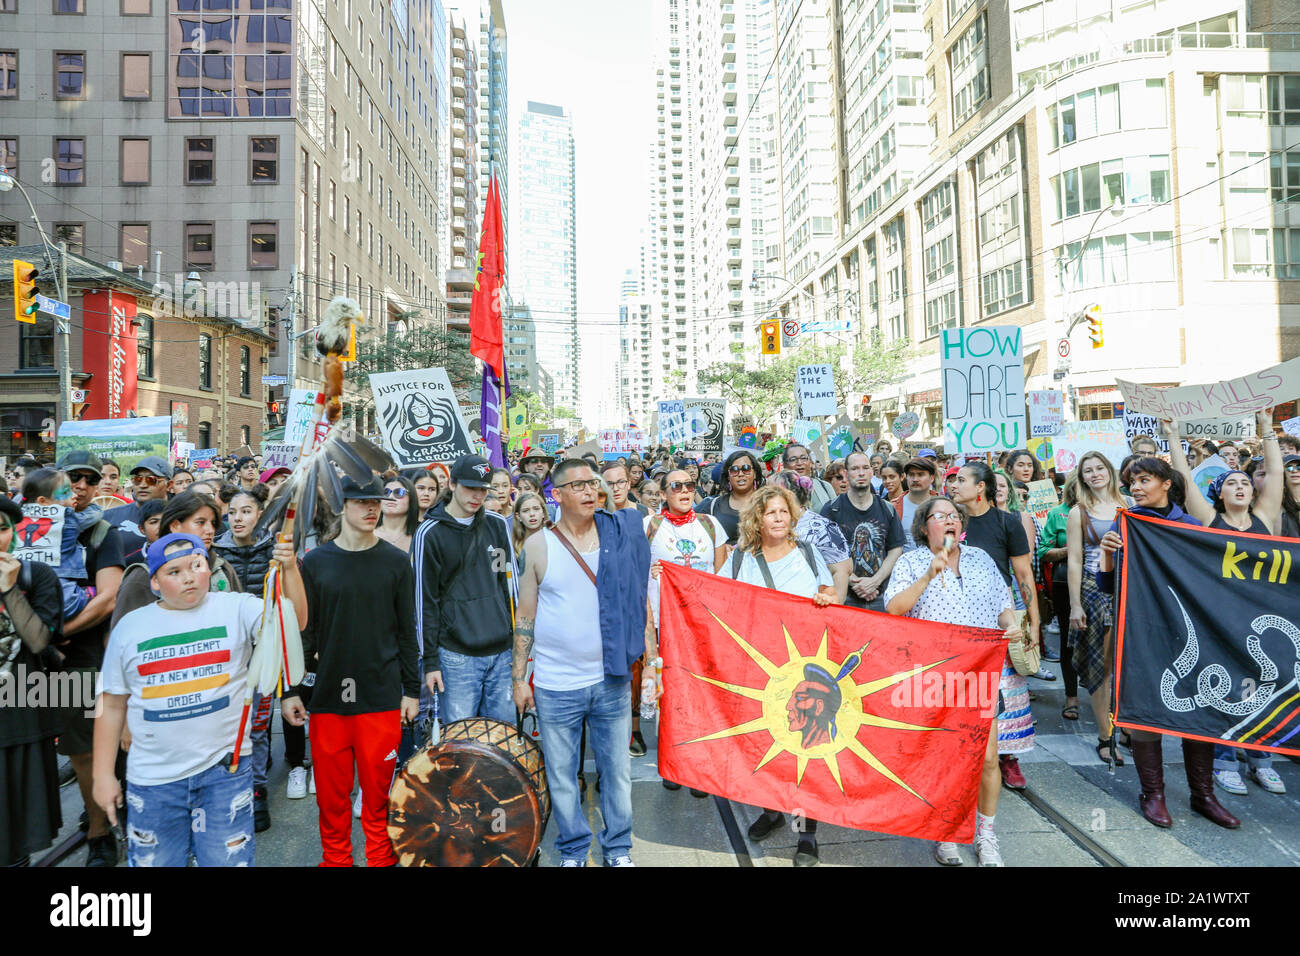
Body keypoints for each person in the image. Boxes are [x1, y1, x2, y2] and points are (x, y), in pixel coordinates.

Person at [93, 532, 306, 866]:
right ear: (155, 583)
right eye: (174, 572)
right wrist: (103, 775)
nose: (189, 577)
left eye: (196, 565)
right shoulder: (130, 628)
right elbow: (111, 704)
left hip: (225, 772)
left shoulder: (237, 608)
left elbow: (295, 623)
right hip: (153, 781)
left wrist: (290, 568)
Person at [511, 457, 652, 866]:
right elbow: (526, 616)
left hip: (611, 679)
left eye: (594, 484)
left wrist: (652, 657)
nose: (590, 491)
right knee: (562, 774)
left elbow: (640, 595)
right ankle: (572, 849)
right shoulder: (539, 545)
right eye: (579, 486)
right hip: (556, 684)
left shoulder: (619, 532)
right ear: (556, 495)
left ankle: (618, 848)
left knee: (617, 773)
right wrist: (520, 679)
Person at [1097, 457, 1240, 830]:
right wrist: (1108, 554)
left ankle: (1203, 795)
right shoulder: (1127, 522)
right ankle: (1153, 794)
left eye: (1144, 480)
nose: (1137, 488)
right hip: (1141, 630)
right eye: (1132, 483)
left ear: (1165, 483)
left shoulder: (1192, 527)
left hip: (1191, 632)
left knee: (1198, 712)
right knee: (1146, 711)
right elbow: (1104, 586)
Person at [283, 474, 419, 866]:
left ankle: (380, 859)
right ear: (343, 505)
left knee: (377, 797)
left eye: (377, 500)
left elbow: (406, 630)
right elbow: (303, 633)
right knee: (331, 796)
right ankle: (336, 860)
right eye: (362, 501)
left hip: (380, 694)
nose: (372, 507)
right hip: (328, 698)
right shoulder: (315, 562)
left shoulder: (396, 562)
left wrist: (412, 689)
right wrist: (290, 690)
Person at [885, 496, 1025, 867]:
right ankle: (946, 830)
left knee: (989, 758)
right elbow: (894, 609)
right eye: (940, 516)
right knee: (945, 758)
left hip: (980, 671)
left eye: (953, 516)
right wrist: (930, 573)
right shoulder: (912, 561)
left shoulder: (980, 559)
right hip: (934, 675)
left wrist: (1011, 626)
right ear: (924, 525)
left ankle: (986, 835)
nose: (949, 520)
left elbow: (1003, 605)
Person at [1167, 413, 1286, 795]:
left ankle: (1261, 758)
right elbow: (1185, 482)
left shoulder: (1265, 519)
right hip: (1219, 621)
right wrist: (1173, 435)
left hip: (1259, 619)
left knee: (1264, 686)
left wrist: (1267, 428)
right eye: (1231, 482)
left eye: (1244, 483)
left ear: (1253, 493)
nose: (1239, 486)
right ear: (1219, 493)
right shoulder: (1211, 520)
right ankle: (1224, 758)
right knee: (1227, 688)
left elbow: (1277, 474)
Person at [730, 485, 836, 866]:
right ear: (757, 518)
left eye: (783, 512)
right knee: (767, 744)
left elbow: (830, 595)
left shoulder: (807, 553)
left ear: (792, 516)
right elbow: (718, 598)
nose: (777, 518)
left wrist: (827, 598)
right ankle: (773, 809)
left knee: (806, 750)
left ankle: (806, 834)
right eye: (770, 512)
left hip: (804, 669)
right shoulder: (741, 558)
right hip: (759, 668)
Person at [51, 450, 125, 867]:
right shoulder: (23, 528)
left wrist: (55, 633)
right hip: (27, 660)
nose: (80, 485)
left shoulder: (100, 533)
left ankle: (100, 833)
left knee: (83, 751)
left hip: (80, 657)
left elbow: (109, 598)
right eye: (71, 478)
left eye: (88, 480)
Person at [949, 462, 1039, 790]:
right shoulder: (951, 520)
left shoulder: (1007, 522)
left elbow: (1024, 575)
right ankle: (967, 756)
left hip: (999, 619)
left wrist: (1033, 623)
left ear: (980, 487)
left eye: (961, 480)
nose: (954, 485)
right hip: (958, 619)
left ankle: (1007, 759)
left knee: (1005, 691)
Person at [413, 455, 516, 726]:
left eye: (483, 489)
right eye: (471, 487)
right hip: (455, 656)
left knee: (503, 741)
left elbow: (510, 585)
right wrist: (431, 661)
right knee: (460, 744)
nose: (478, 495)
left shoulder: (496, 524)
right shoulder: (429, 533)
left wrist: (517, 648)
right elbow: (425, 602)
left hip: (502, 653)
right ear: (453, 484)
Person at [646, 468, 729, 768]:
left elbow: (722, 575)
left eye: (689, 485)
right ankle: (671, 758)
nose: (684, 491)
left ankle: (699, 760)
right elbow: (635, 568)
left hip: (702, 623)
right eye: (676, 486)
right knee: (668, 690)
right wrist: (649, 572)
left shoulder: (711, 525)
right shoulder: (650, 525)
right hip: (664, 624)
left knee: (701, 687)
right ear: (665, 493)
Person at [0, 496, 64, 867]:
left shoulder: (34, 576)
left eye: (4, 529)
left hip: (20, 720)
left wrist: (9, 590)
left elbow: (40, 641)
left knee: (15, 839)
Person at [1064, 452, 1129, 763]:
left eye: (1099, 467)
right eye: (1087, 471)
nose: (1094, 474)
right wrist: (1075, 604)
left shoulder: (1130, 505)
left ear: (1109, 470)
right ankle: (1106, 735)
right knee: (1100, 666)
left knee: (1126, 666)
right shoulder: (1078, 513)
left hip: (1130, 591)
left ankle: (1126, 725)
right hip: (1094, 590)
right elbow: (1075, 560)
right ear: (1082, 477)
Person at [820, 452, 904, 611]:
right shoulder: (831, 509)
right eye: (855, 468)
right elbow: (825, 550)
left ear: (872, 472)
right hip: (845, 596)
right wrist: (852, 581)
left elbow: (895, 548)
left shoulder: (887, 509)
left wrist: (875, 581)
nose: (861, 473)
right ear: (845, 473)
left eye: (865, 468)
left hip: (880, 595)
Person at [20, 468, 98, 620]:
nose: (75, 495)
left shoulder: (17, 518)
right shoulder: (67, 519)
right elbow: (94, 514)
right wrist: (95, 505)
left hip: (25, 592)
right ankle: (86, 593)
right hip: (61, 591)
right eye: (66, 492)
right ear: (43, 501)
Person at [770, 471, 851, 605]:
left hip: (813, 607)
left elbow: (842, 570)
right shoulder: (768, 525)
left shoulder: (823, 527)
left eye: (771, 492)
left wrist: (834, 610)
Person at [1037, 476, 1079, 718]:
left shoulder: (1109, 510)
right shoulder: (1057, 513)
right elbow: (1044, 551)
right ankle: (1071, 695)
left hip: (1101, 584)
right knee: (1069, 640)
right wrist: (1070, 550)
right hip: (1065, 585)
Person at [103, 456, 173, 559]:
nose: (143, 485)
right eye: (138, 479)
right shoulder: (108, 517)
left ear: (169, 485)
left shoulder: (181, 517)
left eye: (151, 480)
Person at [699, 449, 763, 545]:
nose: (741, 474)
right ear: (728, 476)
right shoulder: (713, 505)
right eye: (734, 470)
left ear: (755, 473)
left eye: (746, 469)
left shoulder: (768, 503)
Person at [896, 457, 939, 550]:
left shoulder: (943, 506)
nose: (915, 479)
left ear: (931, 478)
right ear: (906, 477)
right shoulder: (893, 507)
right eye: (911, 475)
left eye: (920, 474)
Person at [782, 444, 835, 512]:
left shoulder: (825, 486)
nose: (799, 463)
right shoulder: (781, 491)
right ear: (785, 465)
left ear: (810, 462)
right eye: (793, 459)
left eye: (803, 458)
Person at [376, 475, 419, 554]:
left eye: (399, 492)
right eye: (386, 492)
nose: (391, 497)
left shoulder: (422, 535)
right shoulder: (366, 533)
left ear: (411, 499)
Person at [512, 491, 552, 572]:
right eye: (526, 511)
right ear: (518, 516)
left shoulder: (555, 540)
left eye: (536, 509)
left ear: (543, 513)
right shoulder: (512, 545)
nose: (532, 514)